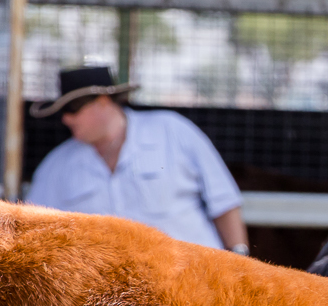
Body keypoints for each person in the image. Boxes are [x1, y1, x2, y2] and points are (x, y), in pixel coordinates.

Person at [26, 65, 247, 253]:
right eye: (62, 111)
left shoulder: (172, 130)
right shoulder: (56, 165)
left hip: (191, 282)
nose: (66, 118)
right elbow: (33, 229)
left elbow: (224, 202)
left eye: (72, 108)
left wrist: (240, 263)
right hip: (109, 296)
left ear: (102, 102)